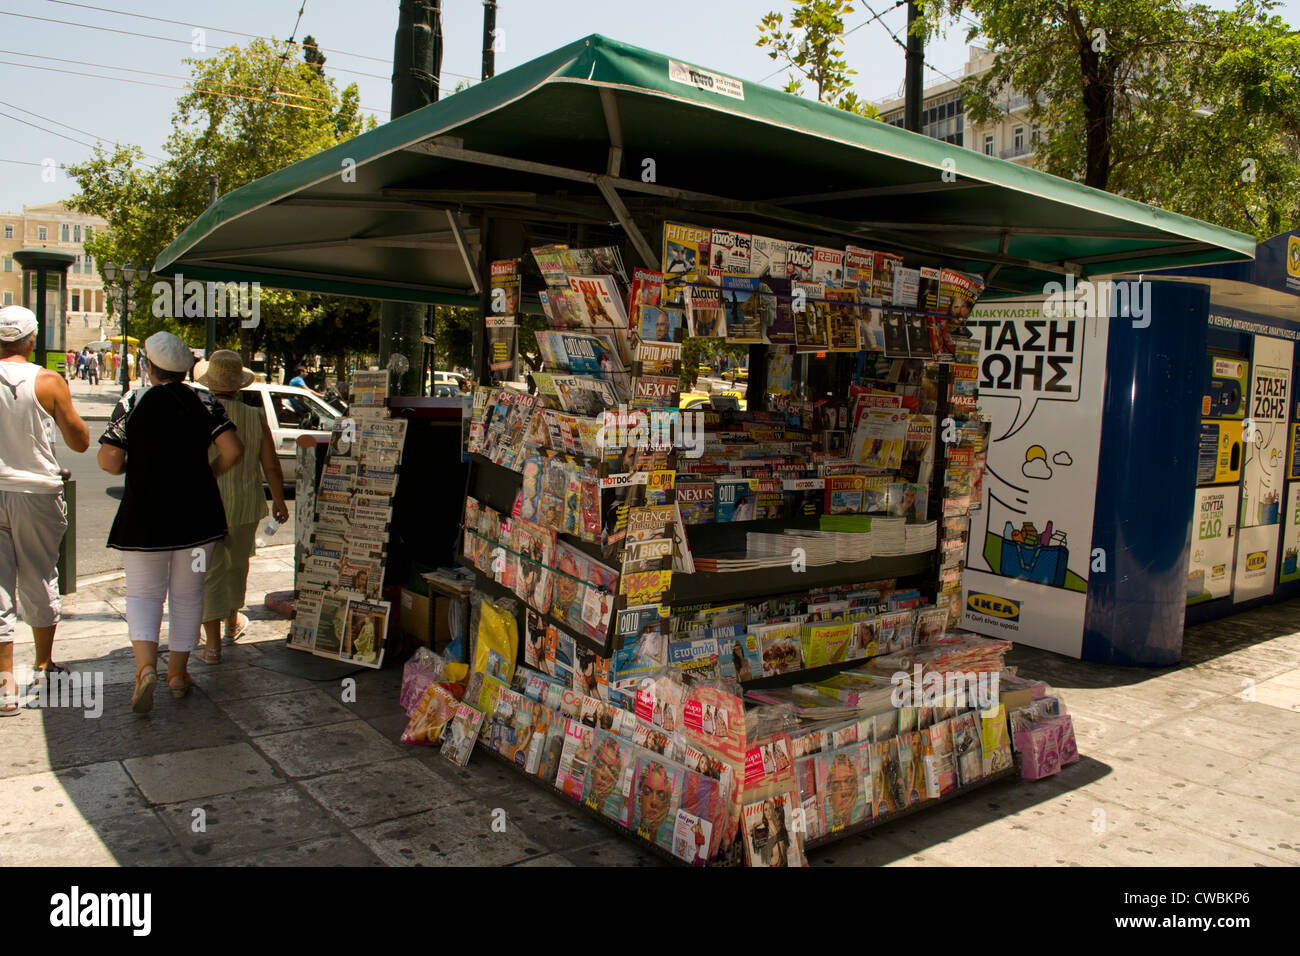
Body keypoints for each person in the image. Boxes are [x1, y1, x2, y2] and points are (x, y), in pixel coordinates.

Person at [97, 331, 243, 713]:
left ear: (148, 367)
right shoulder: (205, 399)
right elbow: (233, 450)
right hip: (198, 518)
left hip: (145, 517)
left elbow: (109, 461)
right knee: (188, 593)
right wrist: (209, 471)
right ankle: (178, 674)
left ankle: (145, 670)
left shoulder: (133, 399)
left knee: (144, 595)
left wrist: (138, 464)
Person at [0, 307, 90, 715]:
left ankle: (4, 685)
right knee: (38, 575)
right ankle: (42, 663)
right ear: (31, 340)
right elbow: (80, 440)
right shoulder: (47, 380)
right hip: (35, 491)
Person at [193, 351, 288, 665]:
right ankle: (232, 621)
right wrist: (277, 499)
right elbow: (271, 466)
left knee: (209, 573)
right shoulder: (253, 415)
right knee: (236, 567)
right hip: (245, 506)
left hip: (205, 506)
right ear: (238, 385)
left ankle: (211, 645)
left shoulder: (200, 412)